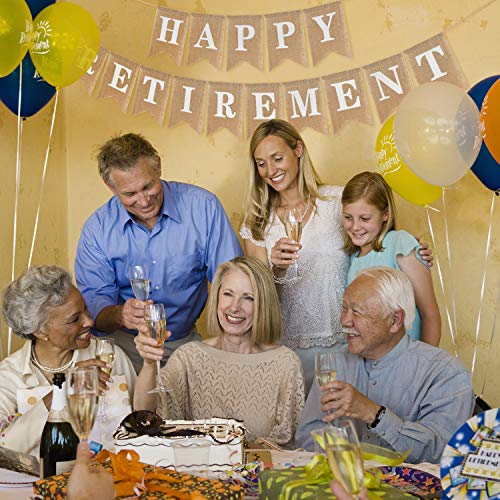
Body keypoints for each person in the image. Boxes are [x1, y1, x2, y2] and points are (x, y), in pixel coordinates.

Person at [240, 119, 433, 390]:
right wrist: (277, 269)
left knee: (339, 427)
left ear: (298, 150)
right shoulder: (257, 223)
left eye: (277, 158)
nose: (270, 170)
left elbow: (375, 241)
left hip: (346, 348)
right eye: (261, 163)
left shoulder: (334, 202)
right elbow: (259, 301)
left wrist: (415, 248)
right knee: (295, 429)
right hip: (284, 352)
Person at [75, 133, 242, 372]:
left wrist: (231, 344)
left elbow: (232, 279)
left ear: (159, 167)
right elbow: (94, 304)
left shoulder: (203, 207)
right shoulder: (97, 229)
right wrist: (121, 314)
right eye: (130, 194)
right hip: (123, 347)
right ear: (110, 187)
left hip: (183, 343)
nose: (143, 201)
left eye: (148, 186)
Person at [296, 267, 474, 464]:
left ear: (395, 320)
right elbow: (307, 437)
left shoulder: (446, 373)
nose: (344, 320)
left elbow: (442, 454)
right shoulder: (334, 363)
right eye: (344, 308)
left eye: (357, 311)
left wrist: (373, 414)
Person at [134, 256, 305, 447]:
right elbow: (144, 413)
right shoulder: (188, 357)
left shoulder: (285, 363)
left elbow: (288, 445)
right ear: (216, 297)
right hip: (196, 473)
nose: (234, 307)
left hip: (260, 473)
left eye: (248, 297)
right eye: (228, 294)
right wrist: (149, 364)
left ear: (263, 305)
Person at [0, 266, 136, 457]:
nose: (89, 321)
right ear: (40, 331)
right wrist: (60, 389)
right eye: (74, 319)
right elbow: (4, 449)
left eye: (86, 309)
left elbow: (140, 421)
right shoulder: (8, 377)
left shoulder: (107, 355)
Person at [342, 171, 441, 345]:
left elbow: (430, 315)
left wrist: (423, 366)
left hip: (404, 362)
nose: (355, 226)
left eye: (365, 218)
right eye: (348, 217)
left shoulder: (399, 244)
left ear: (385, 214)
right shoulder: (351, 258)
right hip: (365, 363)